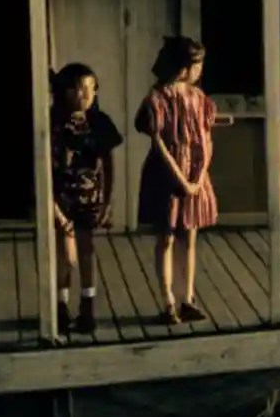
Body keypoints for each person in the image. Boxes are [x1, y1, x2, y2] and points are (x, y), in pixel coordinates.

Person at [134, 35, 218, 324]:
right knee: (167, 238)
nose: (200, 70)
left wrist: (200, 174)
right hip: (168, 176)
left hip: (195, 175)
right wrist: (182, 180)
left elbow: (207, 140)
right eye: (198, 64)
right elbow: (159, 144)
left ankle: (188, 298)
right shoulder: (157, 99)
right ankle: (168, 299)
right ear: (184, 66)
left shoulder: (201, 99)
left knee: (190, 239)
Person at [50, 62, 123, 334]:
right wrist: (53, 207)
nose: (84, 95)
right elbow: (44, 166)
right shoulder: (54, 122)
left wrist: (107, 200)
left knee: (86, 250)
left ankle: (87, 308)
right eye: (77, 90)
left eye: (90, 89)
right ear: (65, 92)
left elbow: (109, 163)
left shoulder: (100, 123)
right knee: (64, 255)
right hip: (60, 197)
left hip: (89, 197)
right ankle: (60, 307)